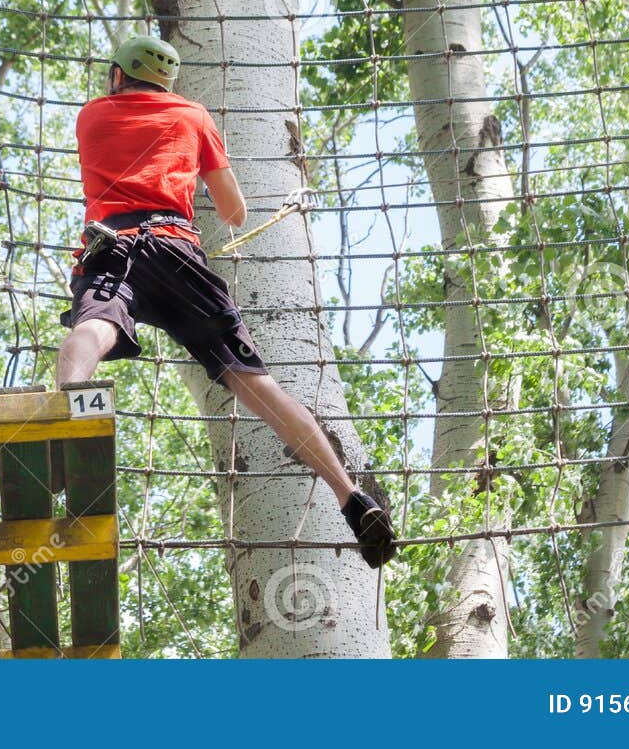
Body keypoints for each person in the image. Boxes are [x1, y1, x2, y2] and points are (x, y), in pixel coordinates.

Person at [57, 34, 397, 568]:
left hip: (115, 245)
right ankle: (350, 497)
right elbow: (233, 211)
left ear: (119, 76)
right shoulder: (193, 116)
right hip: (177, 251)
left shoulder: (91, 117)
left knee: (97, 323)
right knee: (252, 382)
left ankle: (66, 410)